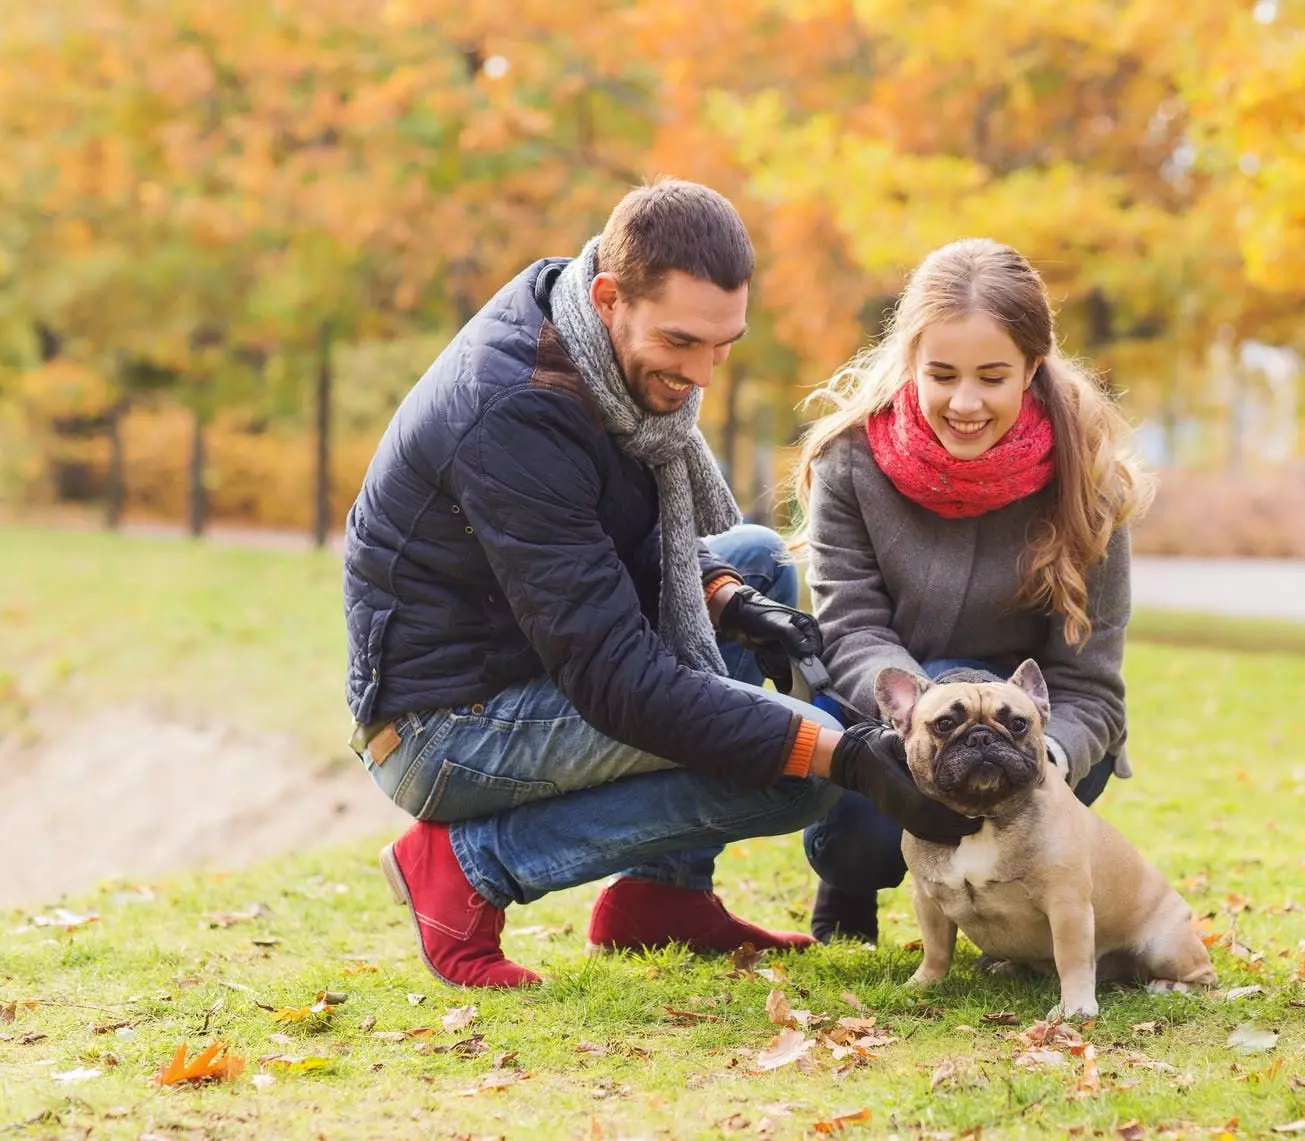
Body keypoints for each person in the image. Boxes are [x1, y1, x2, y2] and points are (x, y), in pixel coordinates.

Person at [341, 180, 977, 988]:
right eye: (682, 342)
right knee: (794, 781)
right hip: (442, 725)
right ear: (611, 298)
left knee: (750, 558)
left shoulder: (586, 334)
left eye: (722, 345)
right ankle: (466, 866)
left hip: (528, 659)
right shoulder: (516, 413)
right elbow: (619, 682)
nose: (701, 373)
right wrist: (842, 754)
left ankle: (661, 898)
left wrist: (727, 599)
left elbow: (628, 546)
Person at [793, 238, 1154, 943]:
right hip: (897, 712)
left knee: (1032, 817)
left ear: (1031, 368)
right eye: (942, 374)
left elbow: (1090, 684)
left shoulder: (1090, 484)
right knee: (858, 837)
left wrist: (1042, 753)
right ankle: (849, 879)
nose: (965, 401)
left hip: (1035, 732)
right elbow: (851, 629)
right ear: (909, 364)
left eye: (992, 376)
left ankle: (1018, 919)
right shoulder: (848, 464)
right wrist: (928, 712)